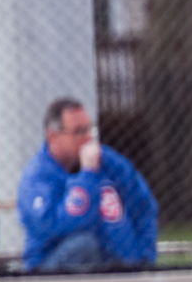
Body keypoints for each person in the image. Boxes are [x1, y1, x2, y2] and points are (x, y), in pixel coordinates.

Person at [17, 98, 158, 272]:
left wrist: (144, 258)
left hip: (120, 268)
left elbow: (144, 207)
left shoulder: (109, 163)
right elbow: (56, 226)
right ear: (53, 136)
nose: (87, 138)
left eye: (89, 129)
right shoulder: (37, 177)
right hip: (52, 276)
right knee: (85, 245)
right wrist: (87, 176)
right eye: (78, 131)